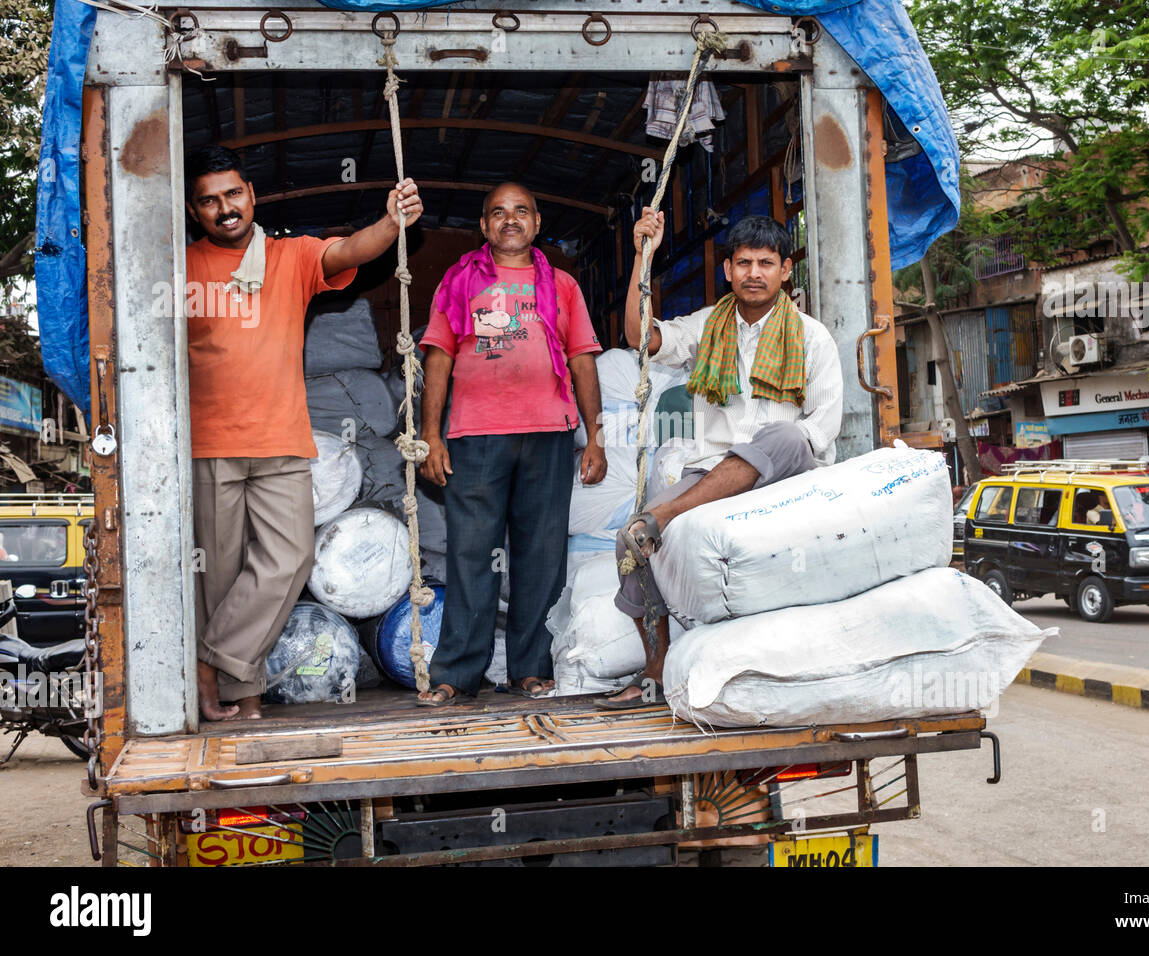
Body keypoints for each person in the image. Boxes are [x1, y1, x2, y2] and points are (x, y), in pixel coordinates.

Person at [185, 144, 422, 721]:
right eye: (209, 201)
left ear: (251, 196)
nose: (225, 208)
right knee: (217, 573)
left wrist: (391, 222)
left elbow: (348, 251)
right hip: (208, 444)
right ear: (195, 212)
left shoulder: (288, 256)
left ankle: (211, 662)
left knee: (290, 558)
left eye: (233, 194)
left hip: (283, 441)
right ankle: (239, 693)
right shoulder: (179, 265)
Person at [600, 210, 843, 709]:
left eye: (766, 263)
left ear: (785, 270)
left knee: (788, 435)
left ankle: (664, 516)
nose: (755, 273)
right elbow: (640, 338)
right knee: (630, 539)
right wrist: (640, 260)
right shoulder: (707, 325)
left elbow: (821, 432)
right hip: (708, 472)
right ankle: (656, 669)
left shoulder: (813, 336)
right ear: (728, 270)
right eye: (745, 263)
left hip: (784, 473)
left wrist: (770, 452)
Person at [417, 182, 606, 705]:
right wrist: (431, 435)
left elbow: (582, 359)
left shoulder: (562, 285)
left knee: (541, 555)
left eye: (520, 211)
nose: (509, 220)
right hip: (476, 435)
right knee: (471, 555)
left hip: (548, 434)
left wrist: (595, 437)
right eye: (497, 213)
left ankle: (531, 667)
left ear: (537, 223)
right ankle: (457, 672)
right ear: (483, 226)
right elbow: (438, 357)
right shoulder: (460, 280)